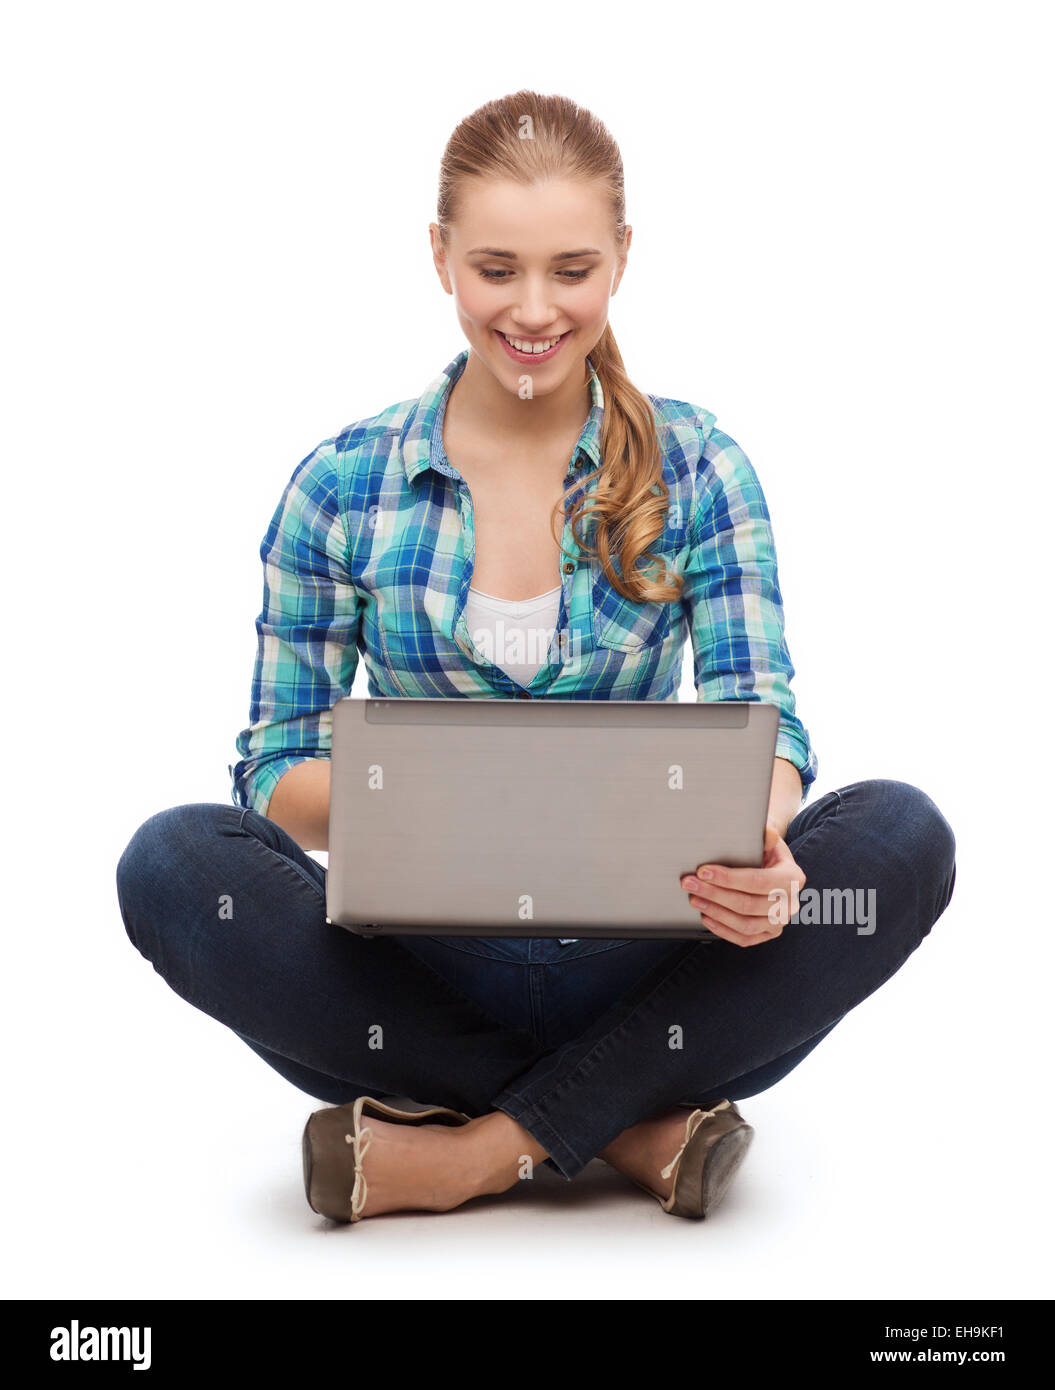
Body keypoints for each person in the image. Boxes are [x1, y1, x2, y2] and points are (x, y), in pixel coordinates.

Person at [115, 90, 957, 1226]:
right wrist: (444, 812)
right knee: (172, 865)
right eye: (495, 267)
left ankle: (463, 1152)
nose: (531, 308)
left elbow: (763, 710)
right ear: (440, 258)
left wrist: (763, 843)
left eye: (570, 268)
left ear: (620, 259)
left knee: (897, 839)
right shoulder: (342, 484)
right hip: (413, 972)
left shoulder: (699, 466)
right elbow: (271, 775)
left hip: (651, 958)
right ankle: (622, 1124)